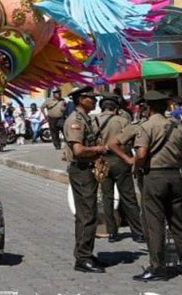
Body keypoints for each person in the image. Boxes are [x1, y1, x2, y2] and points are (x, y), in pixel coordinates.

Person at [131, 90, 182, 282]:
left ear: (147, 108)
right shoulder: (176, 127)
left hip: (154, 177)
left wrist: (136, 168)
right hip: (175, 177)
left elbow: (141, 155)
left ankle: (157, 267)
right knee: (180, 223)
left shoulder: (146, 126)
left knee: (154, 223)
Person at [62, 86, 108, 273]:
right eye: (91, 98)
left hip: (87, 170)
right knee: (87, 214)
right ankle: (83, 258)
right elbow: (78, 150)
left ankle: (85, 253)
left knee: (87, 214)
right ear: (81, 99)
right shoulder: (75, 121)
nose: (95, 101)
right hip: (81, 170)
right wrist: (99, 150)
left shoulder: (86, 119)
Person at [94, 94, 145, 244]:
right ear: (116, 109)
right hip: (121, 159)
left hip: (102, 160)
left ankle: (111, 232)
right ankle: (137, 232)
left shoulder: (94, 121)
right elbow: (132, 139)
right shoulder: (123, 120)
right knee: (128, 196)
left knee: (107, 197)